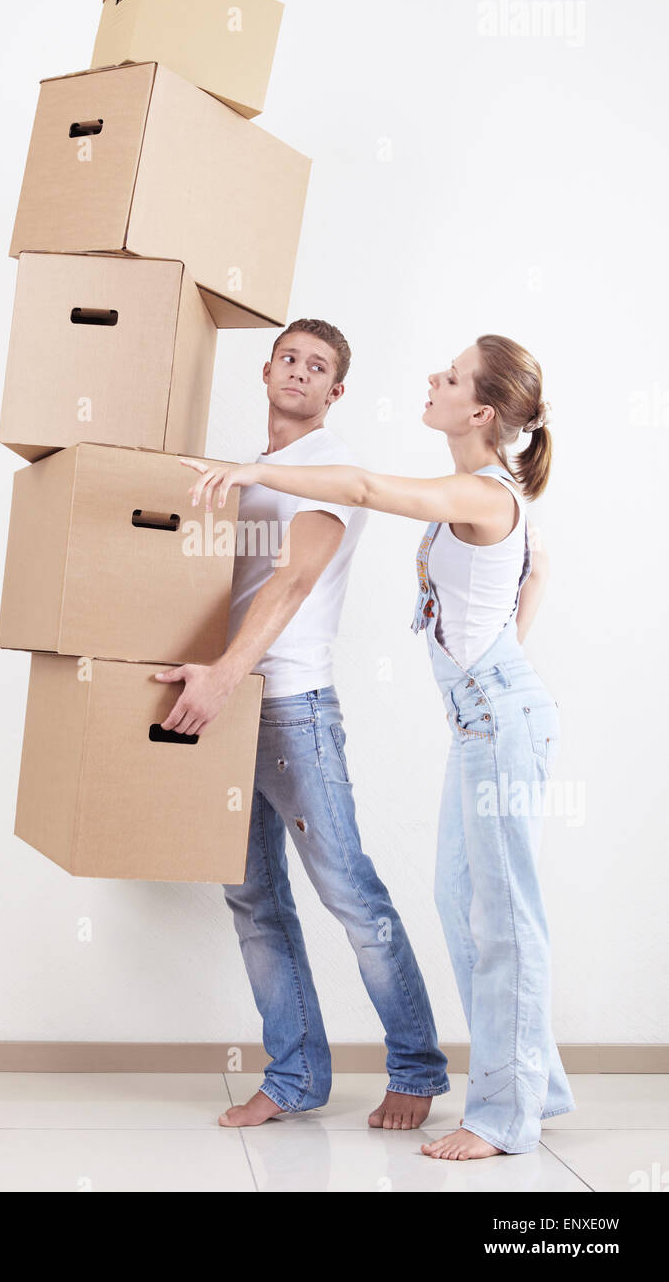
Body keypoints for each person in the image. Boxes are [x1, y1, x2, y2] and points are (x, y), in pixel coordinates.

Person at [182, 333, 576, 1158]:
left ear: (481, 411)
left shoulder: (480, 492)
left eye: (452, 375)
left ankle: (502, 1117)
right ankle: (533, 1084)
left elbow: (360, 487)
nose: (433, 379)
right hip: (485, 718)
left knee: (503, 924)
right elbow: (537, 571)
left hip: (492, 720)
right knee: (463, 912)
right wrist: (495, 668)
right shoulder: (486, 491)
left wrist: (253, 473)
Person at [156, 318, 450, 1129]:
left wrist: (224, 674)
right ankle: (294, 1078)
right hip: (228, 699)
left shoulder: (327, 467)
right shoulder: (246, 474)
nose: (300, 372)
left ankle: (418, 1068)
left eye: (318, 366)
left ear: (336, 390)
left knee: (349, 894)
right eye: (289, 357)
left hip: (290, 706)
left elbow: (292, 582)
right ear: (266, 369)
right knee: (252, 897)